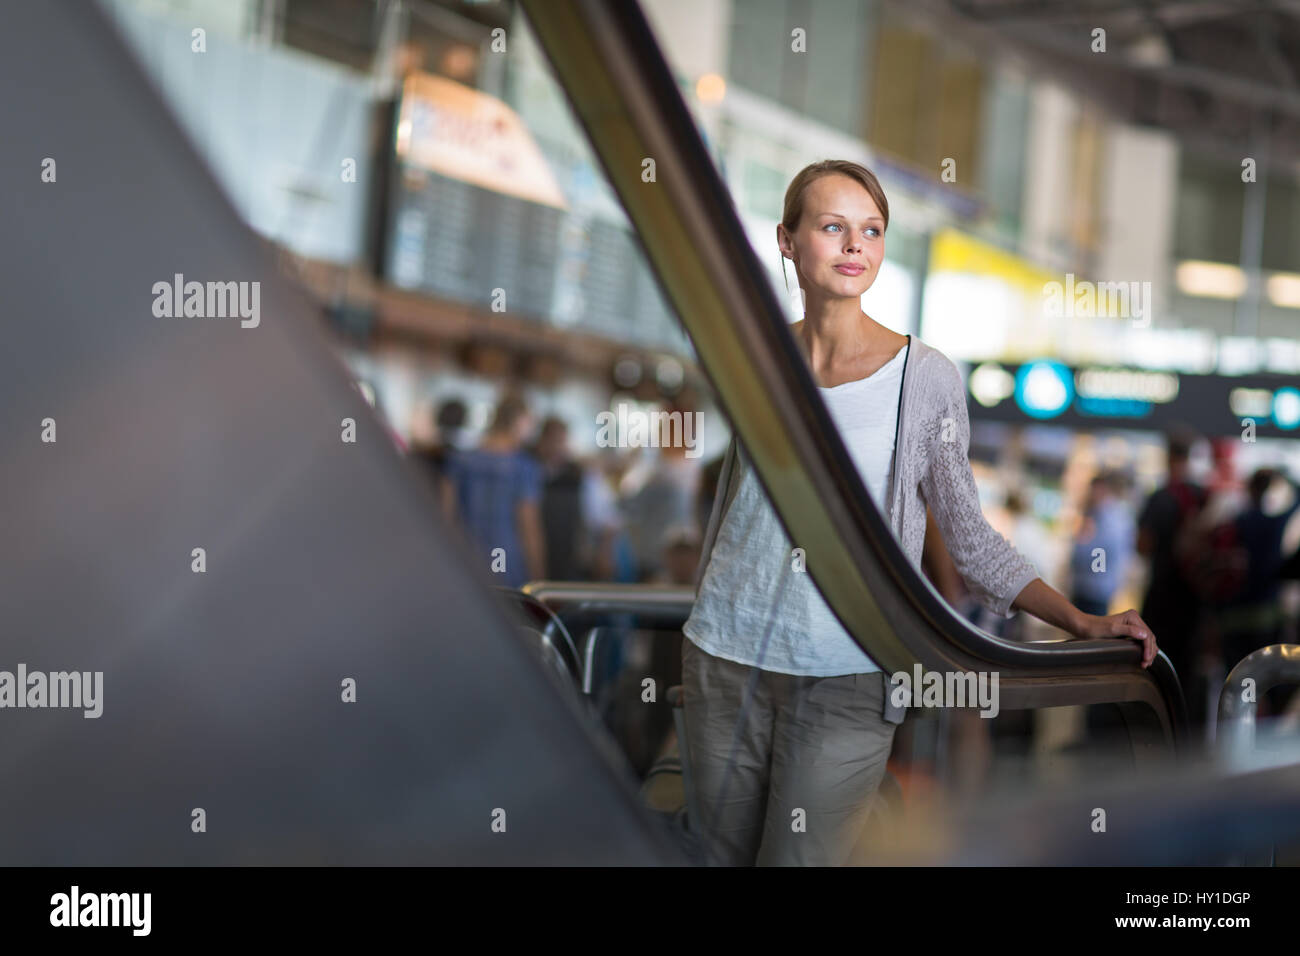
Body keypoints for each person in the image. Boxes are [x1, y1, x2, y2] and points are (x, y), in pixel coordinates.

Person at [680, 159, 1157, 867]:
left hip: (850, 669)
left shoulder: (922, 376)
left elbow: (967, 537)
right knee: (711, 857)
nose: (854, 246)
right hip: (724, 650)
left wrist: (1081, 620)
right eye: (832, 227)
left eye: (870, 231)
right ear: (787, 240)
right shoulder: (754, 354)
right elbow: (736, 504)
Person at [1136, 428, 1209, 722]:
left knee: (1153, 663)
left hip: (1162, 596)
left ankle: (1155, 727)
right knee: (1188, 668)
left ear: (1168, 457)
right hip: (1195, 598)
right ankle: (1186, 733)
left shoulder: (1160, 497)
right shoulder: (1203, 496)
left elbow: (1143, 546)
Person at [441, 393, 545, 589]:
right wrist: (538, 575)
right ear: (519, 421)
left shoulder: (460, 460)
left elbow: (446, 515)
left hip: (467, 558)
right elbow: (529, 526)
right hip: (507, 562)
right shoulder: (523, 467)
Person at [1070, 472, 1135, 618]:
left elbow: (1100, 557)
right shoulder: (1094, 513)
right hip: (1086, 586)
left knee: (1089, 638)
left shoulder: (1112, 518)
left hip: (1096, 590)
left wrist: (1082, 551)